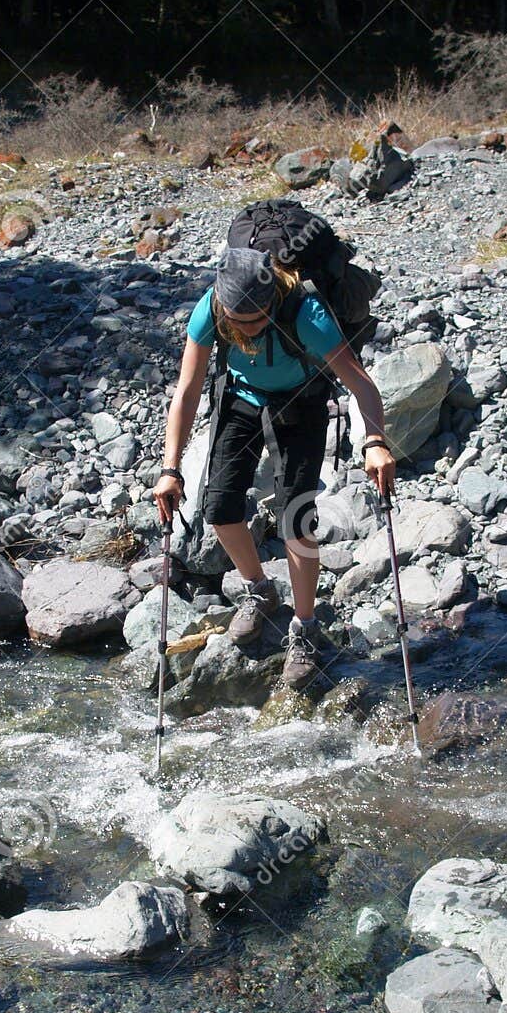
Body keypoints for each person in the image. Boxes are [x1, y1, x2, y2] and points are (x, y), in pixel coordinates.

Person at [153, 244, 396, 690]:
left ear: (271, 304)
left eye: (255, 321)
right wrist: (171, 468)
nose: (244, 330)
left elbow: (362, 387)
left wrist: (375, 442)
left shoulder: (308, 315)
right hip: (241, 401)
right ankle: (259, 589)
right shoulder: (210, 309)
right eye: (235, 322)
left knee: (295, 520)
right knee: (219, 508)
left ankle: (304, 628)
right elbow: (186, 392)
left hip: (301, 405)